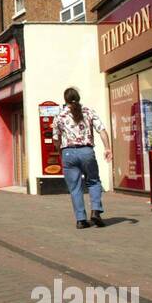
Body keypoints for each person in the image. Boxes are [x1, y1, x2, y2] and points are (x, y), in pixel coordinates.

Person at [53, 87, 113, 228]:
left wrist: (60, 152)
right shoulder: (88, 112)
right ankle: (96, 211)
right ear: (78, 97)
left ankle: (81, 220)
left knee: (75, 188)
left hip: (68, 152)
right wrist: (107, 148)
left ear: (65, 99)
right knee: (93, 181)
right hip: (86, 151)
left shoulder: (59, 116)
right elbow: (102, 130)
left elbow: (56, 139)